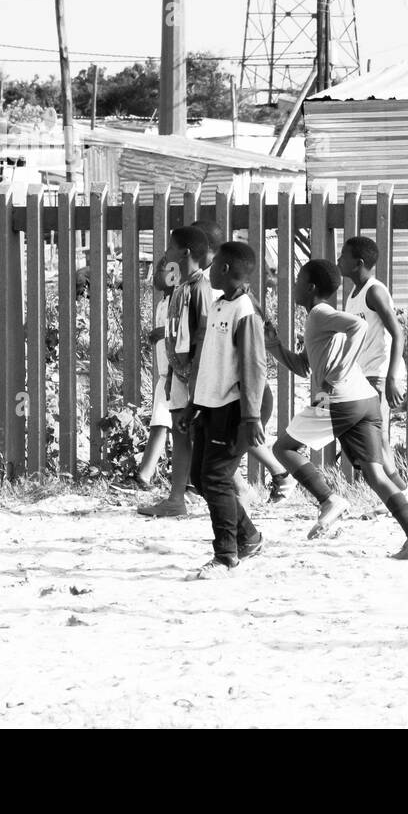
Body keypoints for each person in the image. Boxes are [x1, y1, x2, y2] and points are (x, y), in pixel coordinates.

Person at [265, 259, 408, 560]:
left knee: (283, 448)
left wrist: (339, 369)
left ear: (311, 287)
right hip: (365, 401)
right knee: (375, 474)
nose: (295, 284)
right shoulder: (318, 319)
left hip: (340, 402)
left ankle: (329, 500)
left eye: (299, 279)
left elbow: (360, 324)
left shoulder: (319, 312)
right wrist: (274, 345)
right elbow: (304, 366)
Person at [181, 241, 269, 579]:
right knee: (201, 480)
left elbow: (254, 366)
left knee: (215, 478)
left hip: (235, 409)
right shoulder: (220, 305)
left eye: (215, 264)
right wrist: (194, 404)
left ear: (228, 269)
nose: (210, 269)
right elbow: (210, 362)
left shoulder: (245, 310)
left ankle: (226, 555)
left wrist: (250, 416)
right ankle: (249, 536)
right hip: (210, 405)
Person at [191, 219, 292, 502]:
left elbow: (253, 359)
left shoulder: (236, 299)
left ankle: (271, 484)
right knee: (215, 467)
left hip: (246, 394)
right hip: (219, 391)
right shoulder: (219, 295)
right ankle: (249, 500)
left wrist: (250, 413)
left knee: (221, 465)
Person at [138, 226, 211, 518]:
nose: (166, 253)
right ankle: (176, 498)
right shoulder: (182, 288)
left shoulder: (198, 289)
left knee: (203, 441)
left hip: (194, 378)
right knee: (182, 437)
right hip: (179, 377)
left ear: (185, 253)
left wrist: (193, 379)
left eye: (170, 248)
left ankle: (237, 494)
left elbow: (202, 336)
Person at [336, 237, 407, 487]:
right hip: (361, 374)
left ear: (359, 263)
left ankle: (400, 491)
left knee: (379, 437)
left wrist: (391, 378)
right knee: (374, 437)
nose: (338, 260)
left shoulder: (374, 291)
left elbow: (398, 333)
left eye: (343, 256)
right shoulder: (353, 294)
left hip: (379, 371)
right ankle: (397, 490)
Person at [132, 254, 173, 491]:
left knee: (172, 426)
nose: (156, 274)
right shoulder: (162, 303)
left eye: (161, 269)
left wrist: (164, 332)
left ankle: (187, 481)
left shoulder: (179, 300)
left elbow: (189, 331)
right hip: (166, 374)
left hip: (177, 374)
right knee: (159, 422)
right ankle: (144, 476)